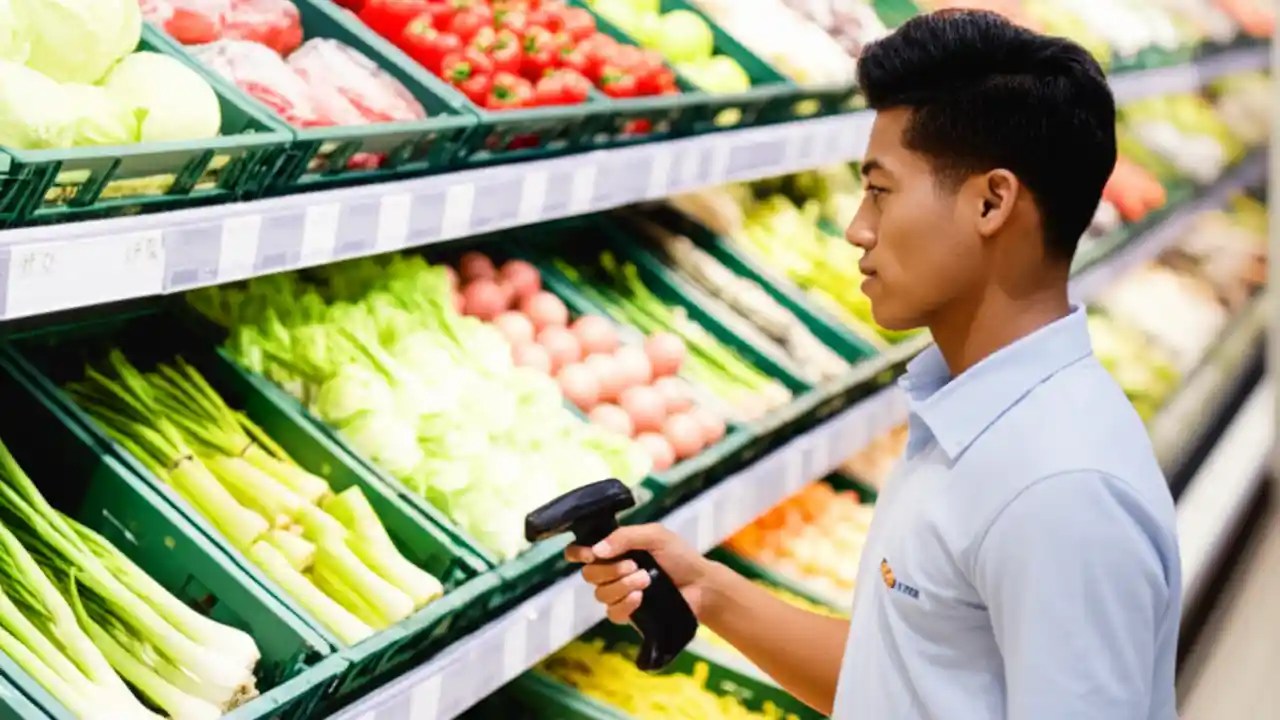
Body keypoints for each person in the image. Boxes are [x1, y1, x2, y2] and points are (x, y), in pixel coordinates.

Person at [567, 9, 1181, 720]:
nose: (858, 228)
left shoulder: (1060, 491)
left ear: (992, 201)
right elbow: (908, 684)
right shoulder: (972, 415)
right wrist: (707, 591)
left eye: (880, 191)